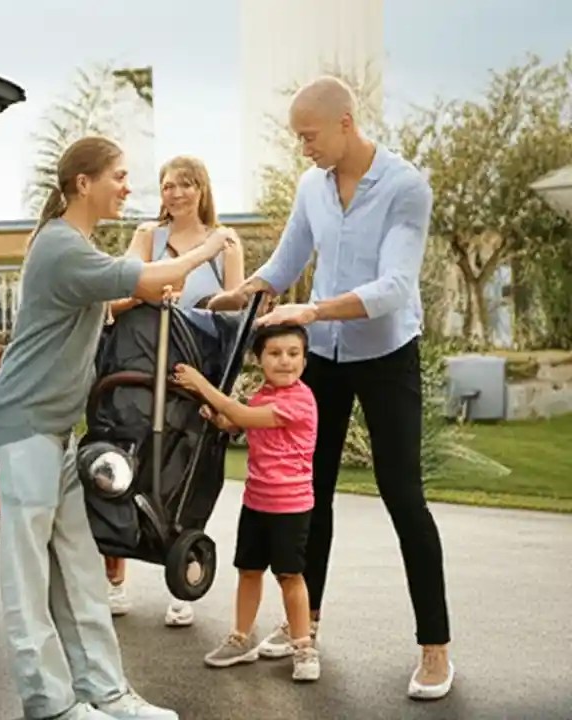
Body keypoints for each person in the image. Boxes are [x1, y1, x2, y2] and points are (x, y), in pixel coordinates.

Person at [206, 75, 454, 700]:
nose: (304, 147)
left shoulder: (404, 187)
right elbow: (287, 262)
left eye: (309, 135)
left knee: (403, 496)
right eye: (298, 138)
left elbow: (395, 287)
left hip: (386, 354)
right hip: (324, 356)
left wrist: (312, 311)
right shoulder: (312, 186)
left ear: (346, 123)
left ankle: (434, 648)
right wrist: (241, 293)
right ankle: (304, 626)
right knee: (307, 493)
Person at [0, 135, 233, 720]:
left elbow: (127, 298)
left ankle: (107, 692)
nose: (127, 187)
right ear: (83, 183)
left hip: (56, 431)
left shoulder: (78, 246)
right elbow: (148, 277)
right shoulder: (59, 247)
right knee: (29, 575)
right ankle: (49, 703)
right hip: (26, 424)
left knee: (80, 569)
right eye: (118, 176)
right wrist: (211, 245)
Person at [103, 155, 245, 624]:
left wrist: (213, 300)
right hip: (139, 364)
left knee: (188, 462)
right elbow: (118, 296)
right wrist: (149, 293)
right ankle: (114, 580)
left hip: (191, 369)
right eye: (168, 185)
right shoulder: (148, 235)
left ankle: (181, 575)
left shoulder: (225, 242)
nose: (177, 193)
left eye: (186, 184)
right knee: (124, 457)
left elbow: (233, 308)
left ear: (202, 189)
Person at [171, 323, 321, 683]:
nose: (284, 361)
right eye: (274, 353)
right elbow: (238, 423)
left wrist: (201, 384)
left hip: (290, 507)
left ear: (304, 360)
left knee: (289, 575)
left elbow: (242, 415)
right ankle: (241, 638)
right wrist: (217, 418)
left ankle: (303, 646)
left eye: (293, 353)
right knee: (249, 571)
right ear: (259, 359)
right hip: (256, 502)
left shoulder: (300, 400)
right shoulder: (262, 395)